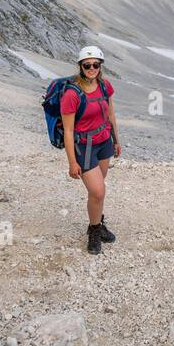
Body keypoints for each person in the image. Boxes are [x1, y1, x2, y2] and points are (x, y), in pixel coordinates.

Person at [60, 46, 122, 254]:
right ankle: (95, 231)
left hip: (104, 141)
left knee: (98, 192)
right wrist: (71, 162)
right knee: (98, 191)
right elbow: (68, 131)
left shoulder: (105, 86)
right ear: (80, 66)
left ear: (100, 66)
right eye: (87, 65)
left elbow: (110, 114)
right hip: (84, 146)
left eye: (96, 64)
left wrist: (116, 140)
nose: (92, 68)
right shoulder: (71, 94)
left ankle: (96, 223)